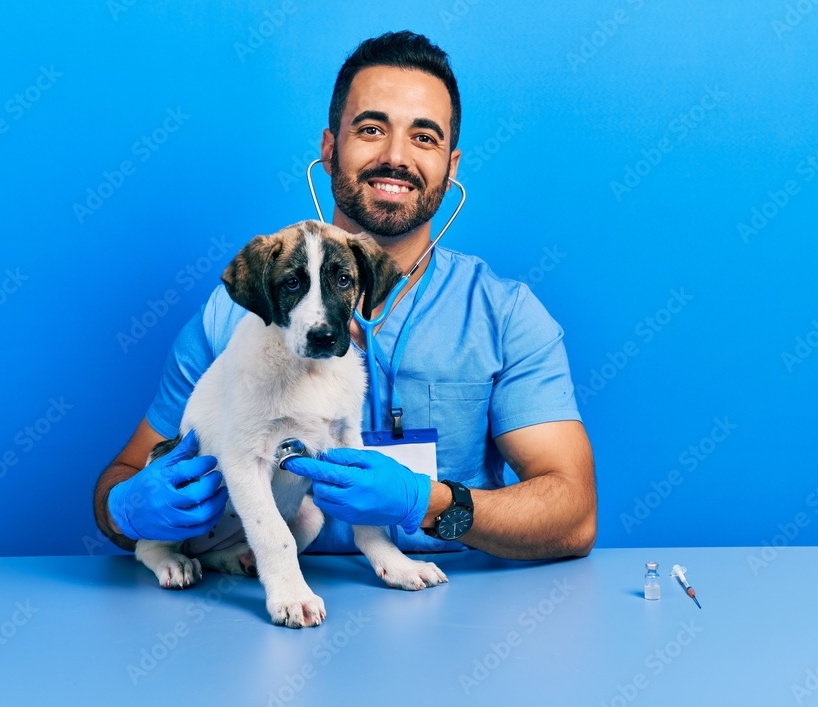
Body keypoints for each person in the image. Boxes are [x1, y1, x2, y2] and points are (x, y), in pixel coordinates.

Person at [93, 30, 596, 563]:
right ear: (330, 151)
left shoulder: (504, 315)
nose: (396, 156)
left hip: (444, 602)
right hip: (267, 597)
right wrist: (127, 510)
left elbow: (574, 516)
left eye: (424, 137)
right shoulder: (235, 314)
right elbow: (125, 476)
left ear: (451, 168)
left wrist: (427, 503)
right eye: (372, 128)